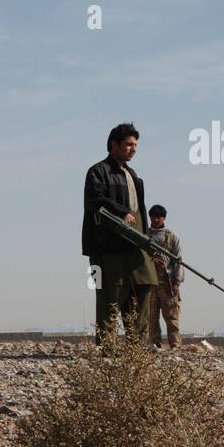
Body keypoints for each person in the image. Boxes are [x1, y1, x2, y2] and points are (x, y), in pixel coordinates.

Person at [82, 123, 159, 343]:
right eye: (128, 144)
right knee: (109, 297)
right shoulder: (98, 171)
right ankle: (107, 348)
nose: (133, 149)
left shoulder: (133, 175)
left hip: (137, 247)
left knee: (144, 288)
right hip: (106, 249)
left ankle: (136, 348)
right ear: (114, 144)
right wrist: (122, 212)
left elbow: (140, 212)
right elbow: (95, 202)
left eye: (135, 145)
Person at [146, 204, 183, 348]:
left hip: (167, 282)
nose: (156, 220)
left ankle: (175, 345)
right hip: (149, 282)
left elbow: (178, 261)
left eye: (159, 217)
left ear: (164, 218)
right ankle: (155, 344)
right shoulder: (144, 235)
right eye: (153, 217)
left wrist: (176, 283)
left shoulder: (172, 237)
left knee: (172, 316)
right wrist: (151, 261)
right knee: (151, 317)